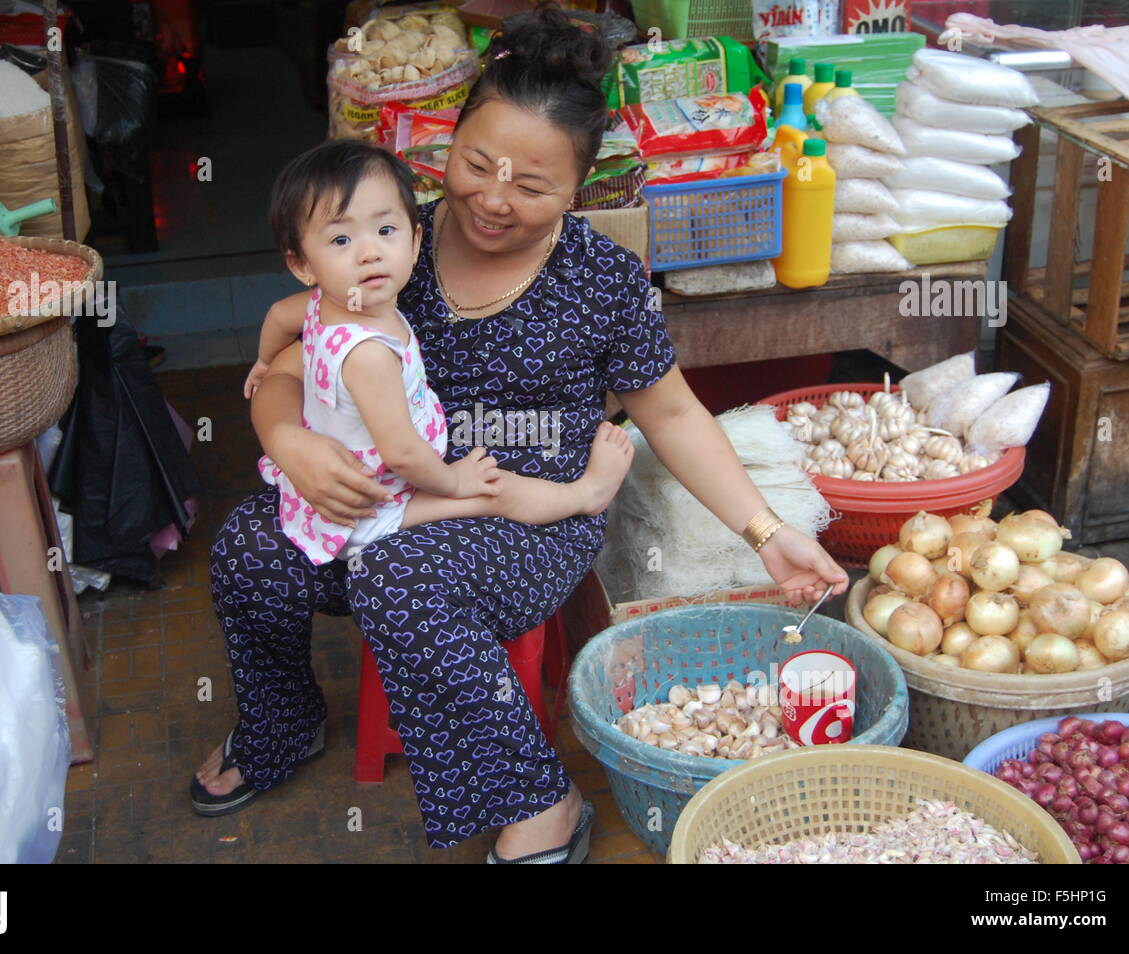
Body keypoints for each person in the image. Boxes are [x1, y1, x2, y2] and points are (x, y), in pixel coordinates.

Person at [194, 3, 849, 863]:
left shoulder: (601, 279)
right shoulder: (393, 237)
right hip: (383, 488)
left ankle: (543, 799)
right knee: (247, 545)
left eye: (533, 186)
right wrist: (288, 440)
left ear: (581, 186)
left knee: (401, 576)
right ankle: (281, 723)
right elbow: (292, 355)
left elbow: (675, 412)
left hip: (532, 512)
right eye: (477, 164)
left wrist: (767, 533)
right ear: (450, 142)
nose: (494, 199)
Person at [236, 139, 635, 570]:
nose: (369, 251)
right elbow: (402, 454)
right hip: (373, 505)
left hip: (345, 483)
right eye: (341, 239)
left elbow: (278, 315)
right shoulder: (369, 354)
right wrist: (456, 482)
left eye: (385, 230)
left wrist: (264, 361)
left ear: (414, 241)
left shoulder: (319, 305)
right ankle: (586, 494)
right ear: (302, 265)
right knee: (495, 493)